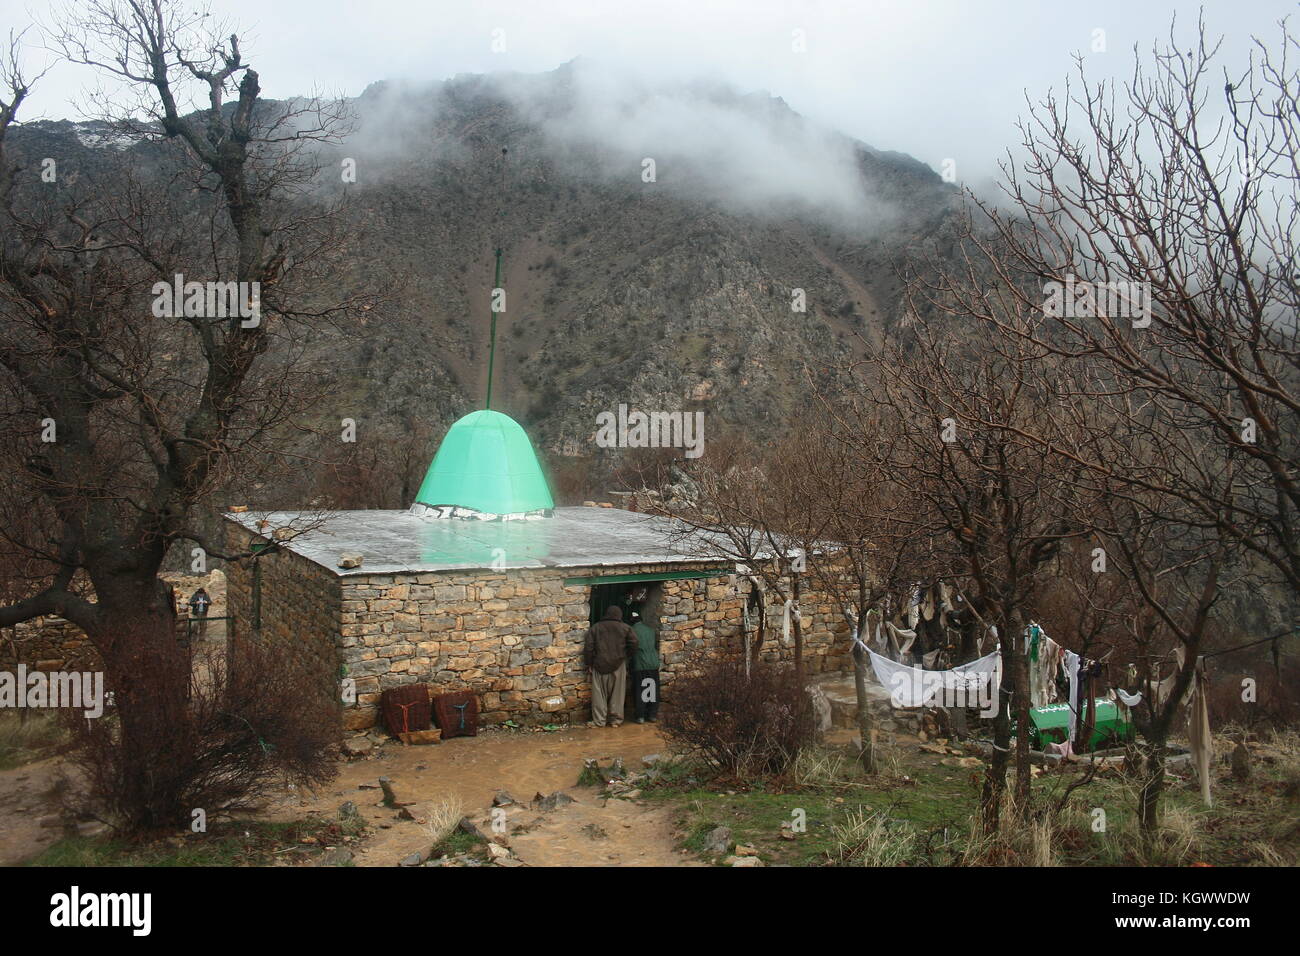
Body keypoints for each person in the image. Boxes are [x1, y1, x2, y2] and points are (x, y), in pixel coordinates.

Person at [584, 605, 638, 728]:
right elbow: (634, 643)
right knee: (617, 694)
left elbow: (588, 648)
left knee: (599, 695)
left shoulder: (596, 628)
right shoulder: (625, 628)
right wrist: (626, 655)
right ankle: (616, 720)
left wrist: (590, 663)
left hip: (599, 664)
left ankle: (599, 721)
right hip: (619, 664)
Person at [629, 611, 660, 724]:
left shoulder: (631, 631)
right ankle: (652, 714)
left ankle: (640, 715)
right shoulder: (650, 630)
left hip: (640, 663)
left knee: (641, 690)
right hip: (653, 663)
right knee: (652, 689)